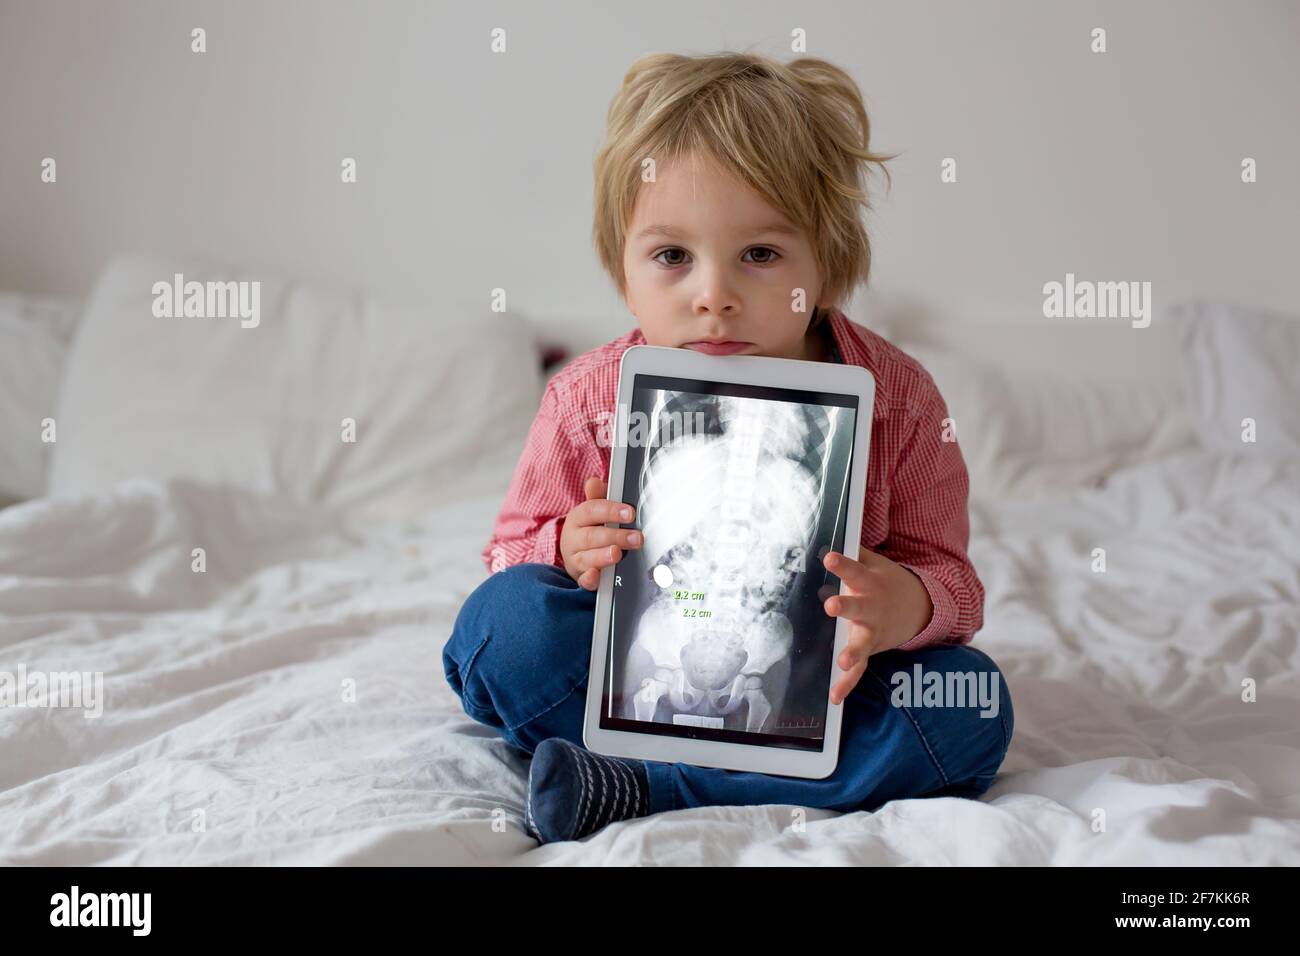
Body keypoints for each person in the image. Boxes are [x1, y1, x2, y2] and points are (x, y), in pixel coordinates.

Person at [443, 51, 1014, 844]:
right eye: (673, 256)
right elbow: (506, 557)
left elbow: (955, 584)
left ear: (828, 261)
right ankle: (696, 773)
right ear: (623, 269)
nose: (714, 294)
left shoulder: (902, 403)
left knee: (970, 703)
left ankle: (634, 788)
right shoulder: (587, 399)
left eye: (761, 254)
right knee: (502, 628)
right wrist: (561, 548)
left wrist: (906, 604)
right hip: (629, 674)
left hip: (822, 694)